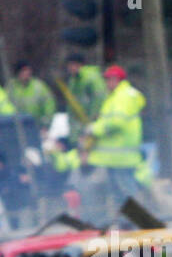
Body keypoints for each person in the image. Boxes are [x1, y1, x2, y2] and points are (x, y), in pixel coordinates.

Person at [86, 65, 146, 200]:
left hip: (121, 155)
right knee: (121, 193)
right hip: (117, 157)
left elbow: (116, 122)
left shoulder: (122, 96)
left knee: (126, 191)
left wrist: (95, 129)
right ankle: (128, 220)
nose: (106, 83)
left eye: (109, 79)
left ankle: (138, 219)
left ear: (116, 79)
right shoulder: (117, 96)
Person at [61, 53, 108, 134]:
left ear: (79, 65)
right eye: (68, 65)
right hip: (77, 124)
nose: (69, 68)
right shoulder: (73, 80)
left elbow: (99, 98)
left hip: (88, 123)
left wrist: (92, 119)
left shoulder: (91, 77)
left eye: (72, 65)